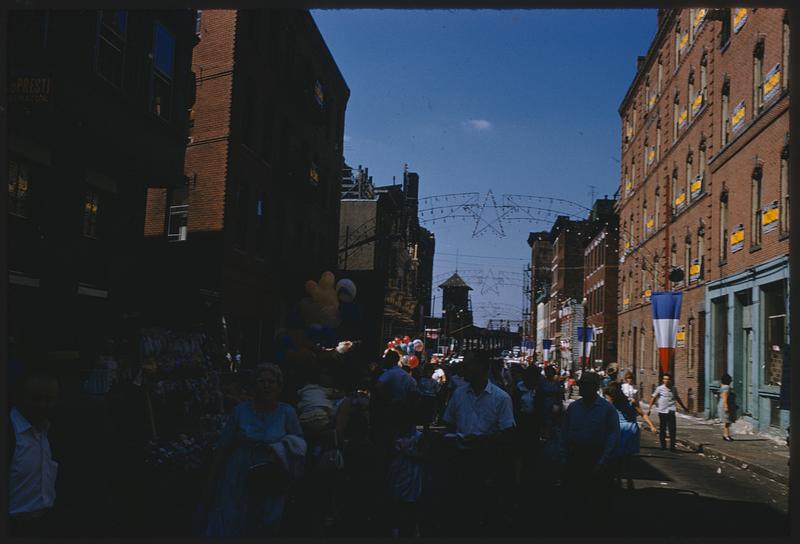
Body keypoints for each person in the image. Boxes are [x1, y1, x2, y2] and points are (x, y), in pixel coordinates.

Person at [203, 364, 305, 537]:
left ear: (279, 386)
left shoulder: (287, 412)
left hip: (271, 471)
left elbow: (298, 444)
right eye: (261, 381)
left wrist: (282, 454)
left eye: (271, 382)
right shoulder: (240, 411)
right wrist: (211, 480)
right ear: (254, 385)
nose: (266, 386)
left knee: (268, 520)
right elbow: (223, 446)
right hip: (239, 472)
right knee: (235, 518)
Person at [441, 350, 515, 534]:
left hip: (488, 461)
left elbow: (508, 434)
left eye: (468, 365)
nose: (463, 368)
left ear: (481, 367)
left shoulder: (501, 398)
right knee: (461, 511)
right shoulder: (458, 394)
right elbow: (448, 424)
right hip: (460, 460)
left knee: (486, 511)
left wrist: (484, 440)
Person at [8, 368, 60, 537]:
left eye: (49, 399)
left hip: (46, 524)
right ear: (19, 396)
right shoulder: (9, 433)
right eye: (36, 398)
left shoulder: (50, 431)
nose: (43, 405)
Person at [558, 373, 620, 492]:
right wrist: (563, 457)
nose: (582, 387)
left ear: (595, 387)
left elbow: (613, 437)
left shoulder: (607, 409)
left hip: (596, 457)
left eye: (586, 385)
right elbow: (565, 432)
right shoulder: (574, 408)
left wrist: (603, 461)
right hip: (575, 456)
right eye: (581, 384)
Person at [602, 382, 640, 489]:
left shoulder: (611, 404)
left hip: (620, 430)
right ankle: (629, 481)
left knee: (616, 457)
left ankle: (618, 480)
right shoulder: (628, 401)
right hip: (631, 430)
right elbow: (638, 413)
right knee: (628, 459)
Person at [647, 373, 688, 451]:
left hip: (671, 410)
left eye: (668, 379)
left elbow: (677, 398)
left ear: (670, 380)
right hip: (662, 411)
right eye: (665, 379)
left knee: (672, 429)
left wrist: (684, 407)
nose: (666, 381)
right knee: (663, 428)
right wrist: (649, 409)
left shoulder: (674, 389)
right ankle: (663, 446)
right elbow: (653, 398)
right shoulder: (659, 388)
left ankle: (672, 446)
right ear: (663, 380)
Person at [718, 373, 736, 441]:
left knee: (727, 421)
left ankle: (725, 435)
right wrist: (726, 406)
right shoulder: (727, 388)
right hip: (726, 405)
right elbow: (725, 397)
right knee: (727, 421)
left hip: (723, 405)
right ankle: (726, 435)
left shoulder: (722, 387)